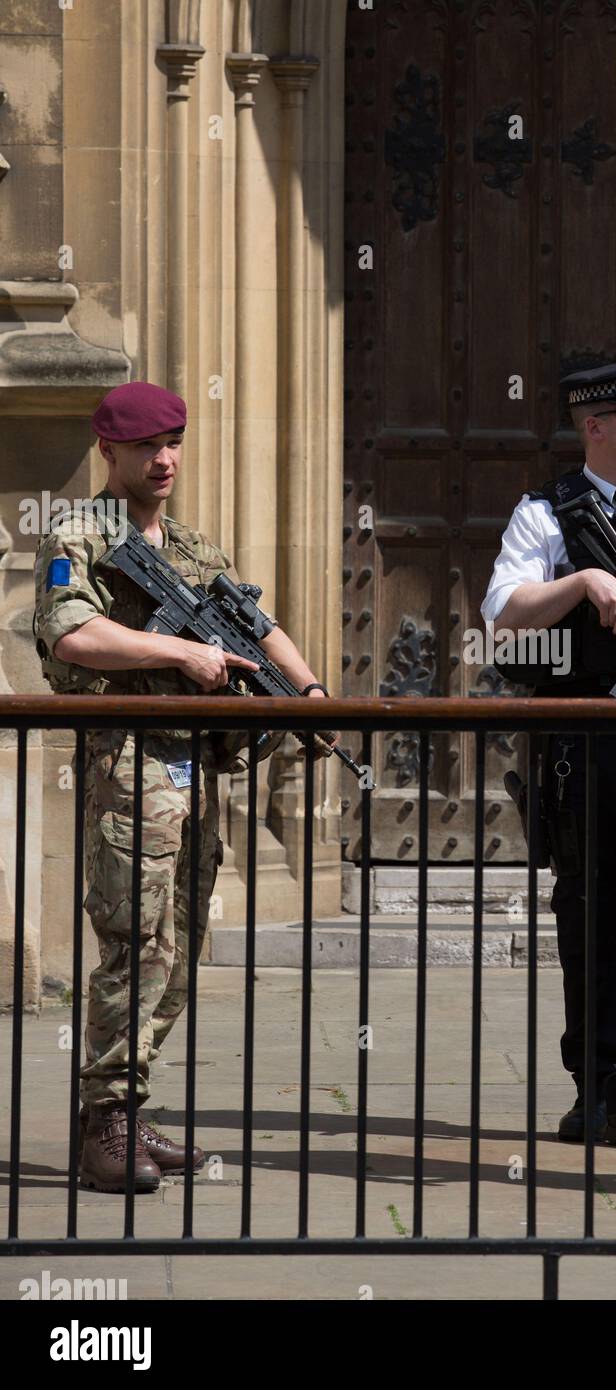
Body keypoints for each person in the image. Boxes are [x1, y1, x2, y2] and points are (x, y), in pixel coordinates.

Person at [33, 381, 335, 1193]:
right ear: (110, 452)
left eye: (173, 444)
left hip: (193, 768)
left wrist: (308, 694)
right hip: (130, 763)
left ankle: (131, 1106)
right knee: (134, 944)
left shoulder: (194, 547)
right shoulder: (79, 530)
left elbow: (257, 624)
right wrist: (178, 655)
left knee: (178, 950)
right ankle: (106, 1126)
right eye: (145, 448)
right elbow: (70, 630)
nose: (164, 461)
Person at [482, 356, 616, 1152]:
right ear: (593, 427)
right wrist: (587, 583)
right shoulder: (546, 513)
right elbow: (503, 612)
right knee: (587, 909)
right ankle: (595, 1089)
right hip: (582, 740)